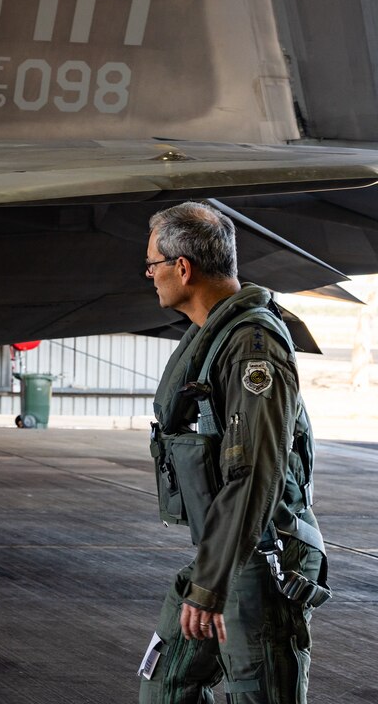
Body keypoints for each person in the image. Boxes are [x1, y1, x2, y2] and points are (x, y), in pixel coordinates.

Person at [139, 202, 330, 704]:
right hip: (224, 557)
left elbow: (255, 473)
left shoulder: (252, 346)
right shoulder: (218, 337)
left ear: (183, 268)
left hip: (262, 559)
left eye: (153, 265)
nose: (150, 276)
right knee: (166, 684)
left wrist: (210, 585)